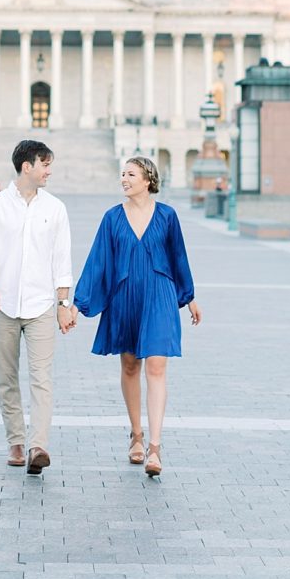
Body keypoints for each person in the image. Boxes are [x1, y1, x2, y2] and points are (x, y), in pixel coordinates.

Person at [74, 156, 200, 477]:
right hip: (125, 296)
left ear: (148, 179)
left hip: (160, 294)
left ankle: (155, 447)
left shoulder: (168, 216)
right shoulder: (112, 218)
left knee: (156, 366)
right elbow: (98, 261)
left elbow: (178, 257)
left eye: (131, 174)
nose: (124, 179)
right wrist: (78, 302)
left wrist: (189, 297)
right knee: (131, 365)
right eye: (122, 174)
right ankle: (137, 435)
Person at [0, 140, 74, 474]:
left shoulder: (55, 208)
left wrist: (63, 304)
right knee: (7, 376)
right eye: (45, 164)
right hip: (3, 304)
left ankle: (37, 445)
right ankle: (16, 439)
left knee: (42, 377)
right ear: (26, 166)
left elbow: (62, 260)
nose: (49, 171)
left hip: (42, 303)